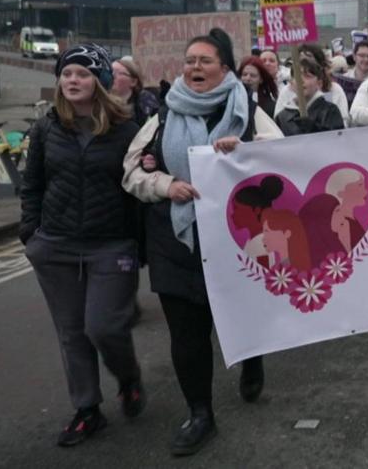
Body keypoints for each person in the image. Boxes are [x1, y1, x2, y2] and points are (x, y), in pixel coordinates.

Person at [122, 28, 283, 456]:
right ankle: (200, 415)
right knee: (187, 334)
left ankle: (252, 356)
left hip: (237, 240)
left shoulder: (248, 111)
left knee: (241, 316)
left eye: (205, 61)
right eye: (190, 60)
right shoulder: (163, 115)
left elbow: (282, 160)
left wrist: (245, 152)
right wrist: (165, 184)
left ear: (225, 68)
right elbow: (131, 173)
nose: (195, 67)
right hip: (176, 241)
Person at [21, 44, 145, 447]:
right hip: (55, 245)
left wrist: (139, 245)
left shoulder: (126, 129)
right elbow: (32, 184)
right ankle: (87, 409)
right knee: (72, 333)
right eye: (67, 73)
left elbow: (137, 191)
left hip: (111, 245)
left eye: (83, 73)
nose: (72, 80)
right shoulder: (46, 128)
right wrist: (31, 235)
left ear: (101, 81)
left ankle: (128, 377)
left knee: (104, 327)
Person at [274, 44, 350, 127]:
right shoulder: (283, 113)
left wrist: (313, 126)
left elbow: (341, 126)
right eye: (298, 75)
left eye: (307, 75)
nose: (301, 80)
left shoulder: (331, 108)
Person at [111, 57, 159, 125]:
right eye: (110, 72)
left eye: (118, 73)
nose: (112, 76)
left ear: (133, 82)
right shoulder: (100, 101)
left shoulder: (145, 101)